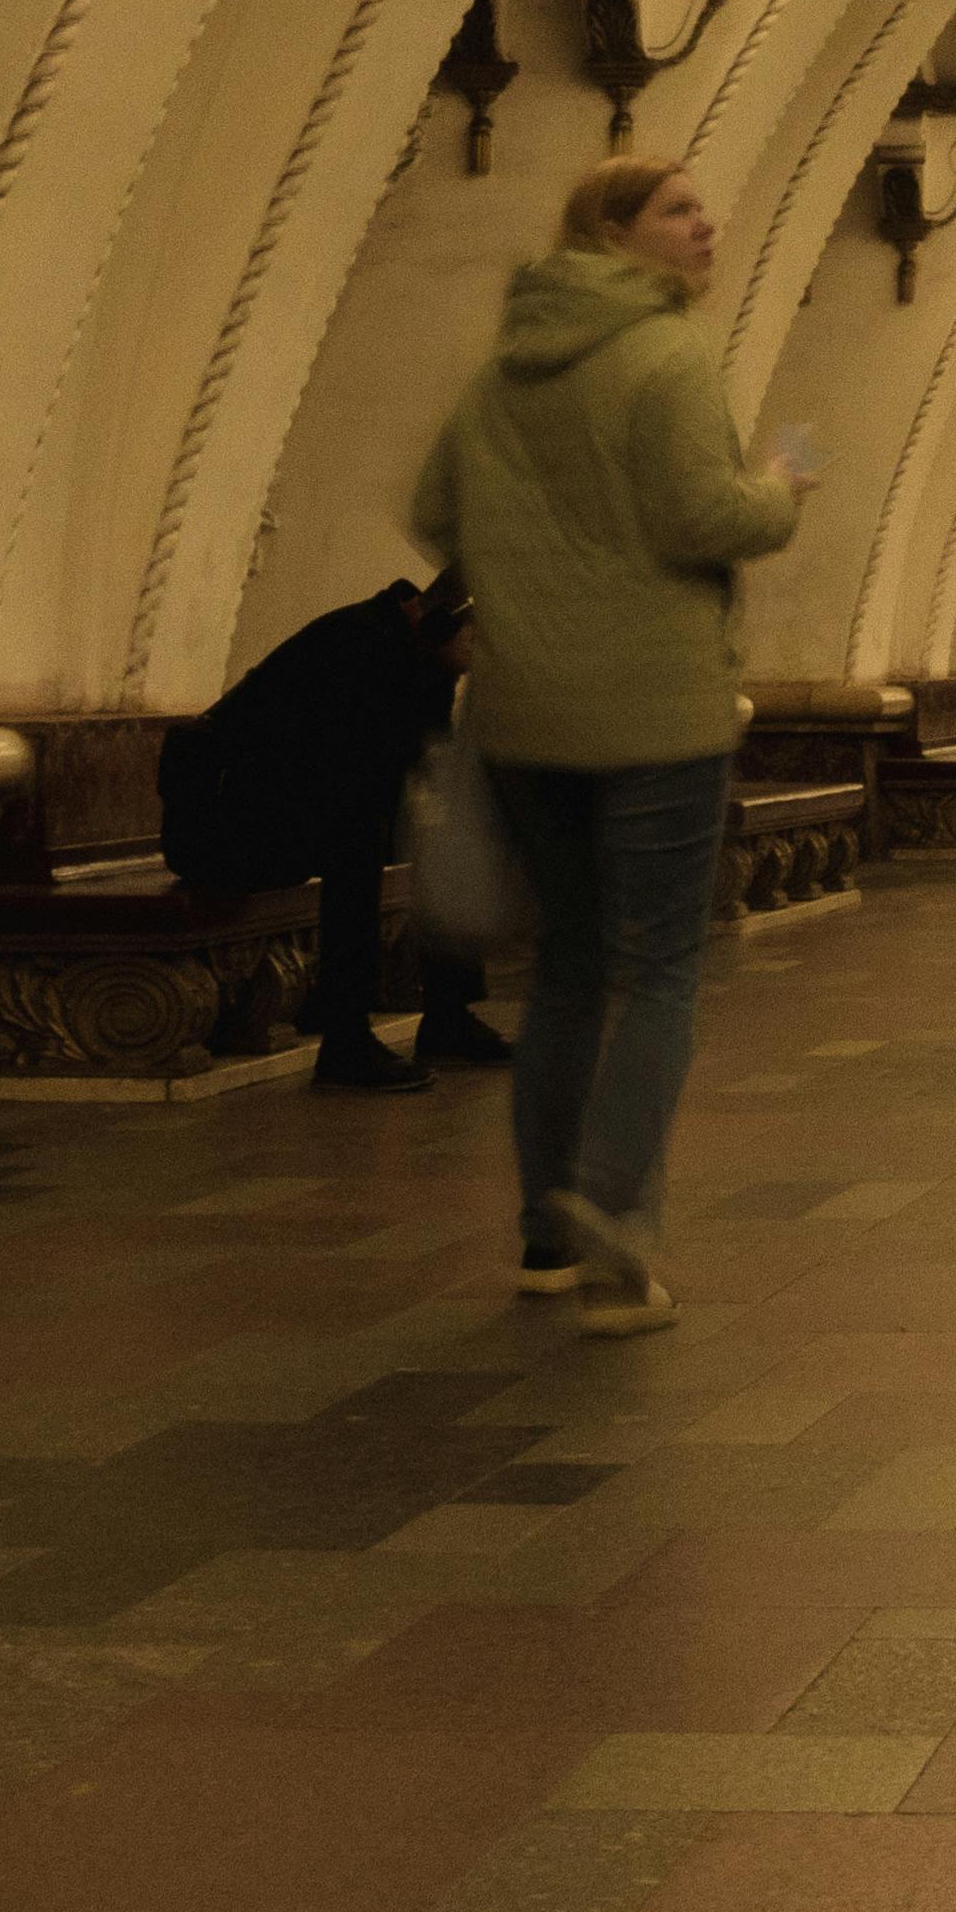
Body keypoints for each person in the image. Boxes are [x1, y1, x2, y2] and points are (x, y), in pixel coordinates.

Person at [414, 154, 811, 1332]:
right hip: (653, 712)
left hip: (526, 714)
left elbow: (439, 512)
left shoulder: (500, 374)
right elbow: (703, 515)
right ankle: (614, 1226)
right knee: (661, 971)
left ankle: (543, 1233)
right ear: (615, 230)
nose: (708, 224)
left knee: (570, 974)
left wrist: (535, 566)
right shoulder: (666, 355)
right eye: (681, 209)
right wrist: (781, 487)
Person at [170, 570, 520, 1097]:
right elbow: (346, 778)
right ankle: (345, 1042)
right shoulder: (358, 645)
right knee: (357, 838)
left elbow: (425, 771)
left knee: (439, 833)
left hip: (283, 812)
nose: (481, 658)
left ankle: (447, 1017)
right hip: (217, 825)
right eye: (478, 639)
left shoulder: (419, 658)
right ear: (441, 623)